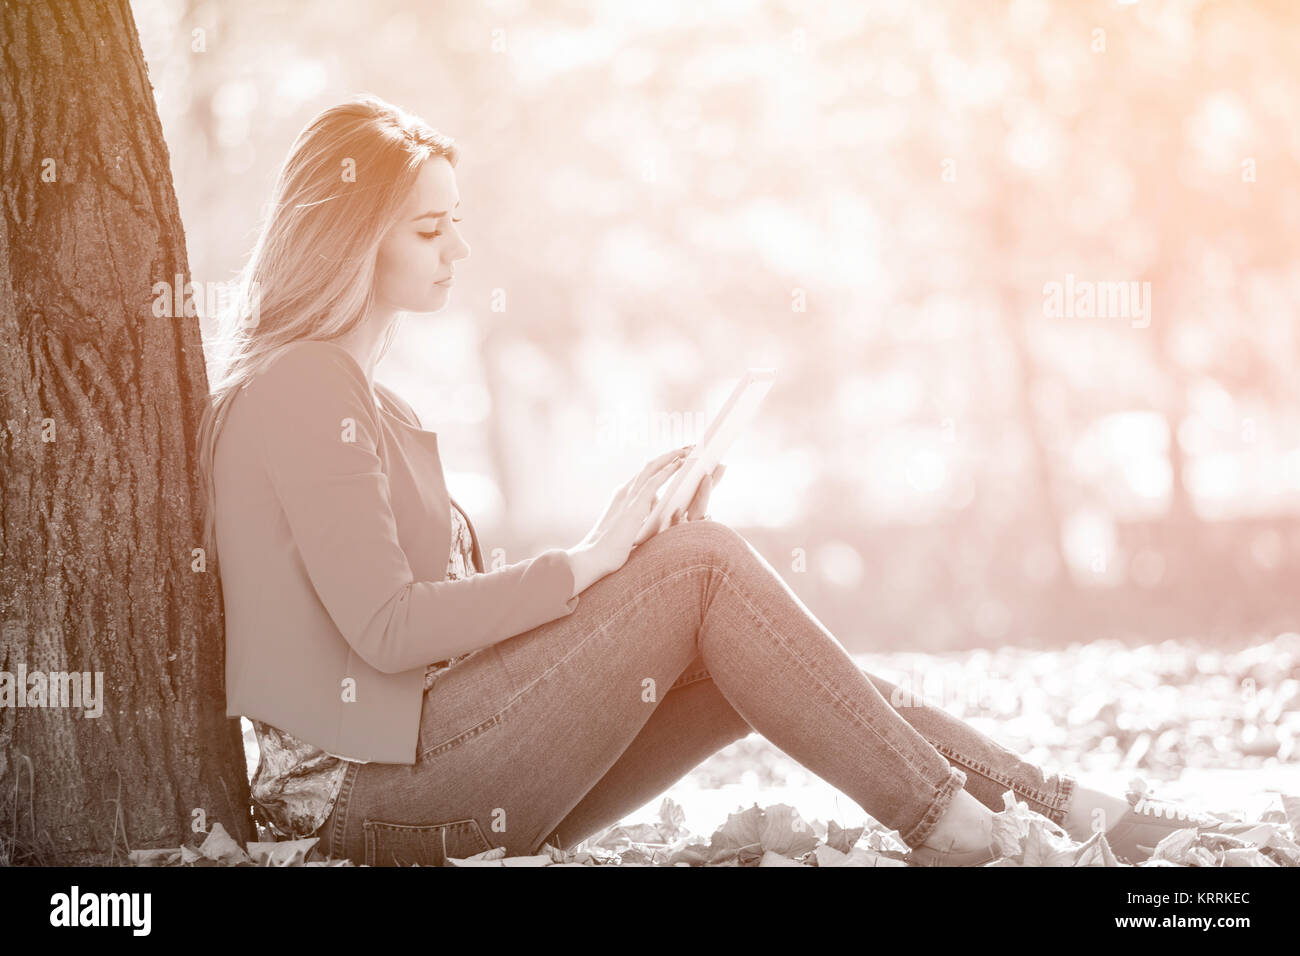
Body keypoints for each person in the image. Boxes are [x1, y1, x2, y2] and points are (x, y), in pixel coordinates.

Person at [198, 94, 1235, 867]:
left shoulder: (369, 400)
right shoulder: (302, 387)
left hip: (438, 765)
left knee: (740, 634)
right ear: (350, 238)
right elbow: (386, 631)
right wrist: (596, 560)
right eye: (431, 229)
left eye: (457, 220)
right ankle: (954, 826)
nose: (461, 247)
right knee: (702, 569)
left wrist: (617, 562)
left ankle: (1055, 802)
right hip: (361, 803)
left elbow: (433, 628)